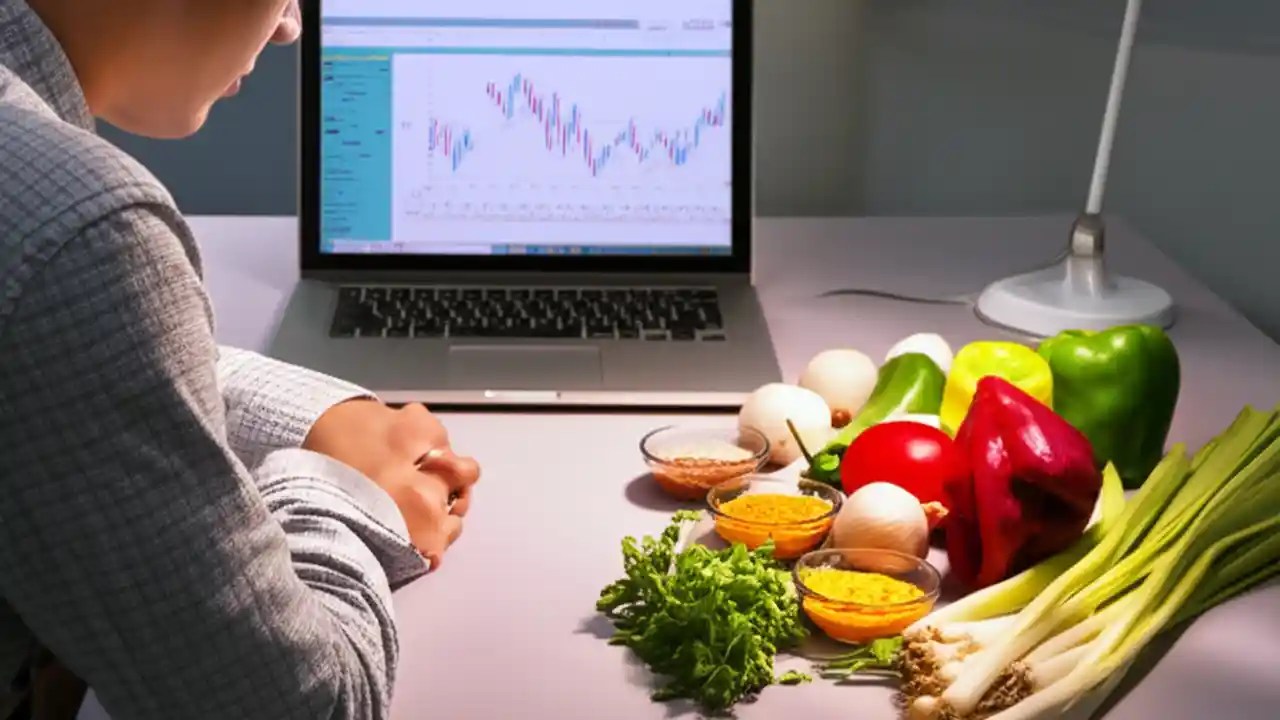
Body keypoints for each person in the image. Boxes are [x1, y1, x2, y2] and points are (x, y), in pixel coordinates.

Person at [0, 1, 481, 718]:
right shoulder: (84, 228)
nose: (290, 25)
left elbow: (73, 355)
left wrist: (328, 418)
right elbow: (301, 706)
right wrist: (346, 492)